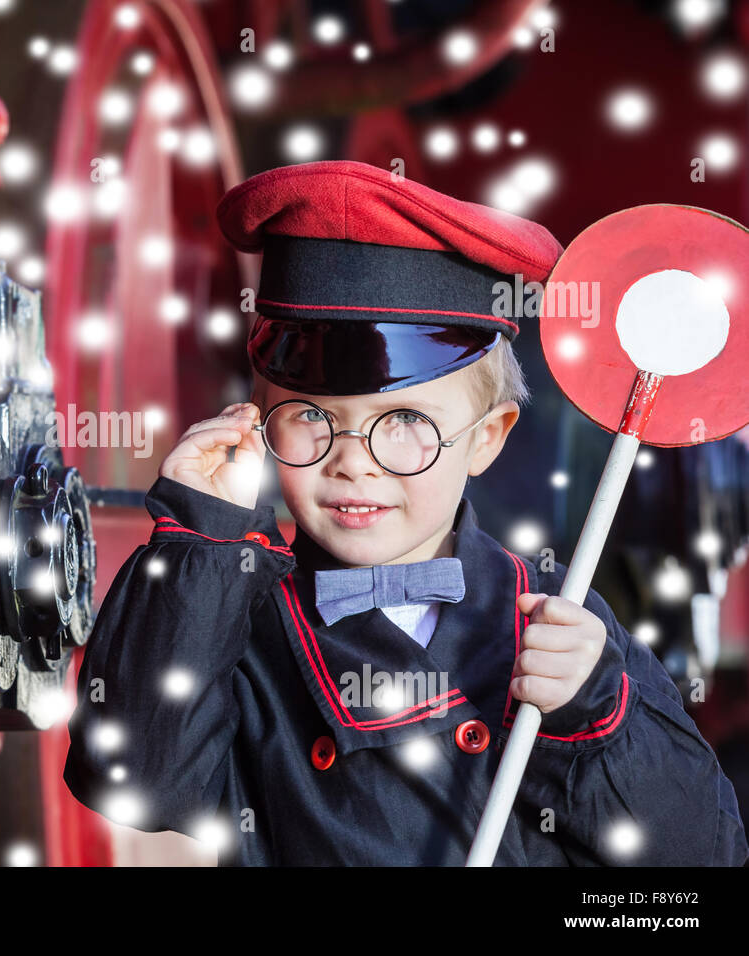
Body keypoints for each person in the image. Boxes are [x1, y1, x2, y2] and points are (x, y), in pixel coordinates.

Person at [62, 160, 749, 865]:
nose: (354, 460)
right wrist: (199, 541)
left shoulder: (559, 621)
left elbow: (703, 856)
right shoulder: (238, 619)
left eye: (405, 422)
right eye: (309, 415)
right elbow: (131, 785)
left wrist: (598, 713)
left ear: (487, 437)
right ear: (256, 421)